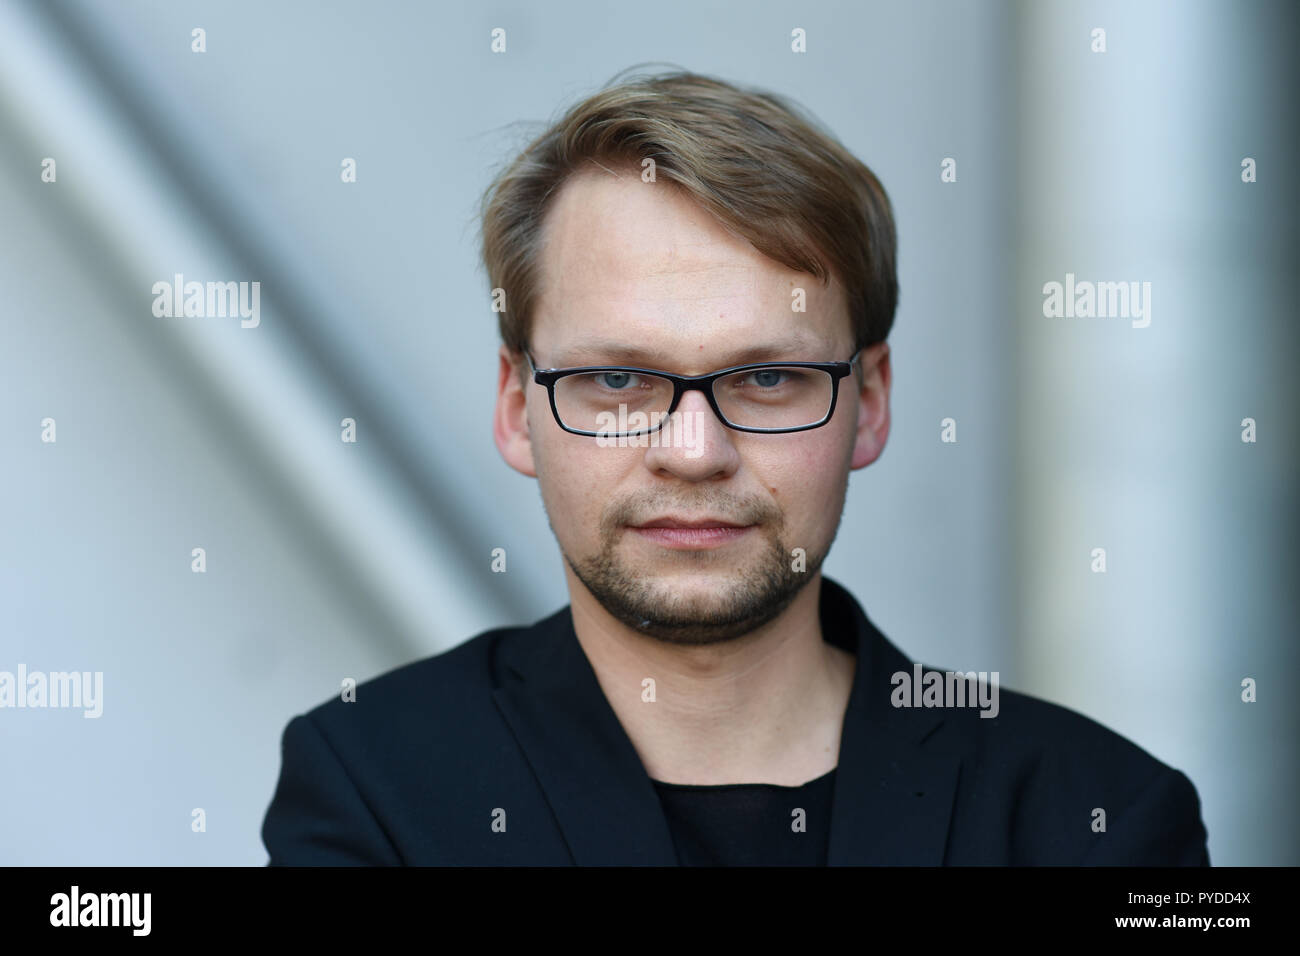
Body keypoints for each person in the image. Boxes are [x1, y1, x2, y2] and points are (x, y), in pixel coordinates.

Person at [261, 68, 1210, 865]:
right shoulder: (373, 785)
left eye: (767, 378)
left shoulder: (1098, 817)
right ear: (518, 409)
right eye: (619, 378)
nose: (693, 452)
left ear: (869, 404)